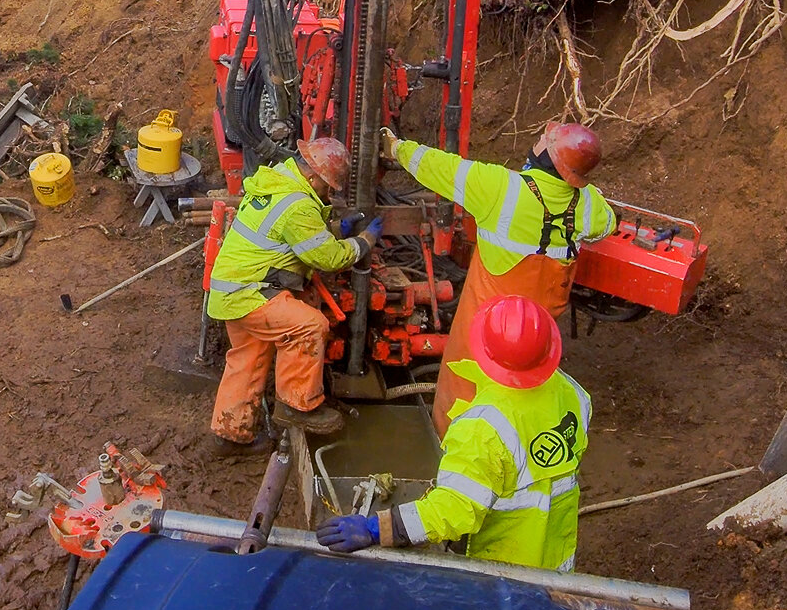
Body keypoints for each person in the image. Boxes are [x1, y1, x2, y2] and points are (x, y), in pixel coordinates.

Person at [315, 296, 590, 572]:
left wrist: (379, 528)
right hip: (556, 565)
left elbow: (454, 509)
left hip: (506, 572)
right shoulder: (572, 393)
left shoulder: (482, 428)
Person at [379, 122, 615, 433]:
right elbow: (606, 224)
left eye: (544, 138)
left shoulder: (501, 188)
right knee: (522, 396)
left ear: (551, 157)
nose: (538, 139)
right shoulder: (588, 204)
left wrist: (396, 147)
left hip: (485, 328)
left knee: (463, 394)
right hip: (537, 335)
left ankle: (451, 446)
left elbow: (438, 167)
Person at [207, 137, 382, 452]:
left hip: (231, 291)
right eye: (327, 186)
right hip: (251, 292)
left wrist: (335, 231)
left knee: (249, 359)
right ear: (313, 177)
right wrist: (365, 241)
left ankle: (230, 437)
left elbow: (289, 236)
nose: (328, 193)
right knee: (309, 325)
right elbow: (328, 258)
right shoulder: (299, 205)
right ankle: (297, 405)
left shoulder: (279, 181)